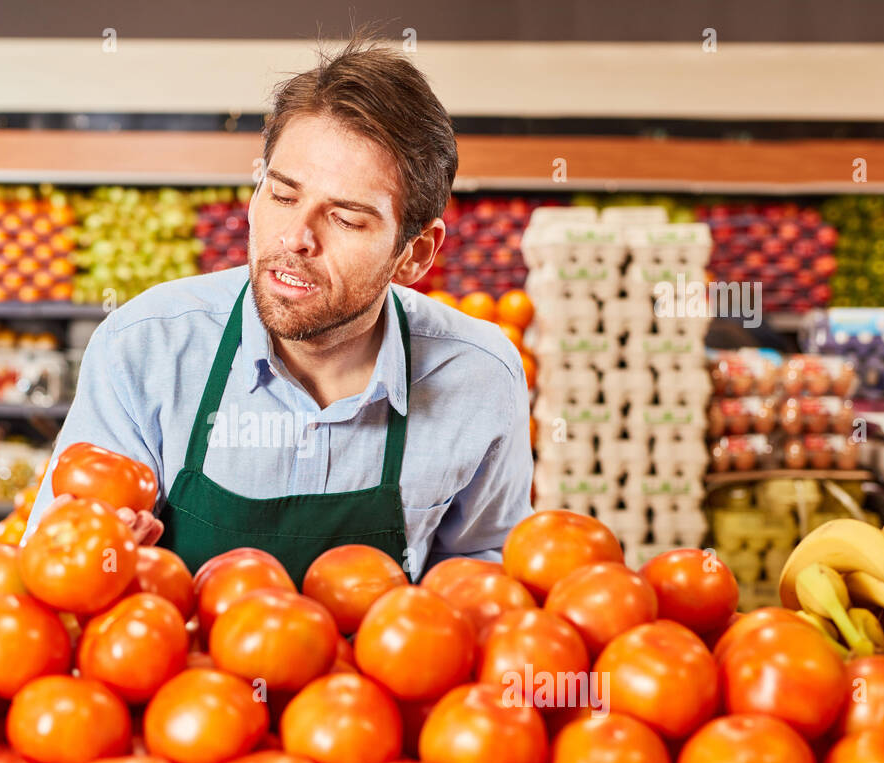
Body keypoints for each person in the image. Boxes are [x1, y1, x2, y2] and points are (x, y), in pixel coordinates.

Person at [26, 33, 533, 584]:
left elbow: (484, 585)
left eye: (345, 219)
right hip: (180, 668)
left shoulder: (480, 377)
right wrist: (98, 561)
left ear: (415, 254)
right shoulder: (143, 349)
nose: (295, 238)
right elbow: (54, 569)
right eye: (283, 195)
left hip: (380, 672)